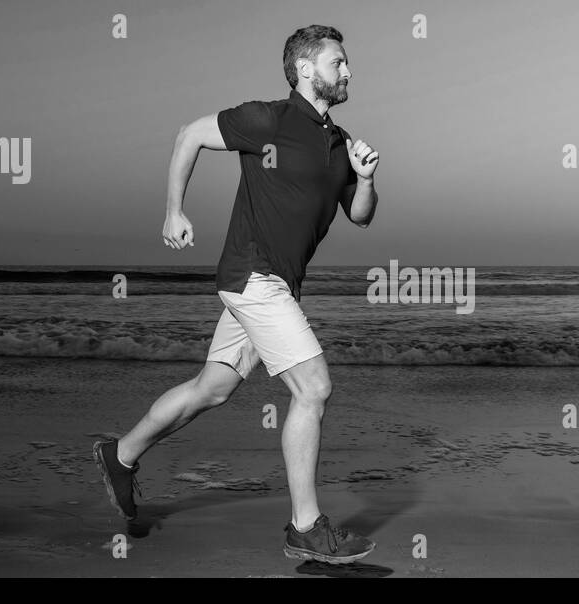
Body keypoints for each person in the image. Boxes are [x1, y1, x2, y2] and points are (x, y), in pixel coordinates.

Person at [93, 24, 380, 565]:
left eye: (347, 63)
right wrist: (175, 209)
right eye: (338, 62)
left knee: (213, 388)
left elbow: (360, 217)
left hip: (276, 286)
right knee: (313, 388)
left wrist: (363, 179)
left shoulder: (339, 143)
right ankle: (304, 526)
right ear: (304, 69)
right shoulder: (266, 120)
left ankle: (121, 454)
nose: (348, 71)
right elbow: (190, 135)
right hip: (253, 276)